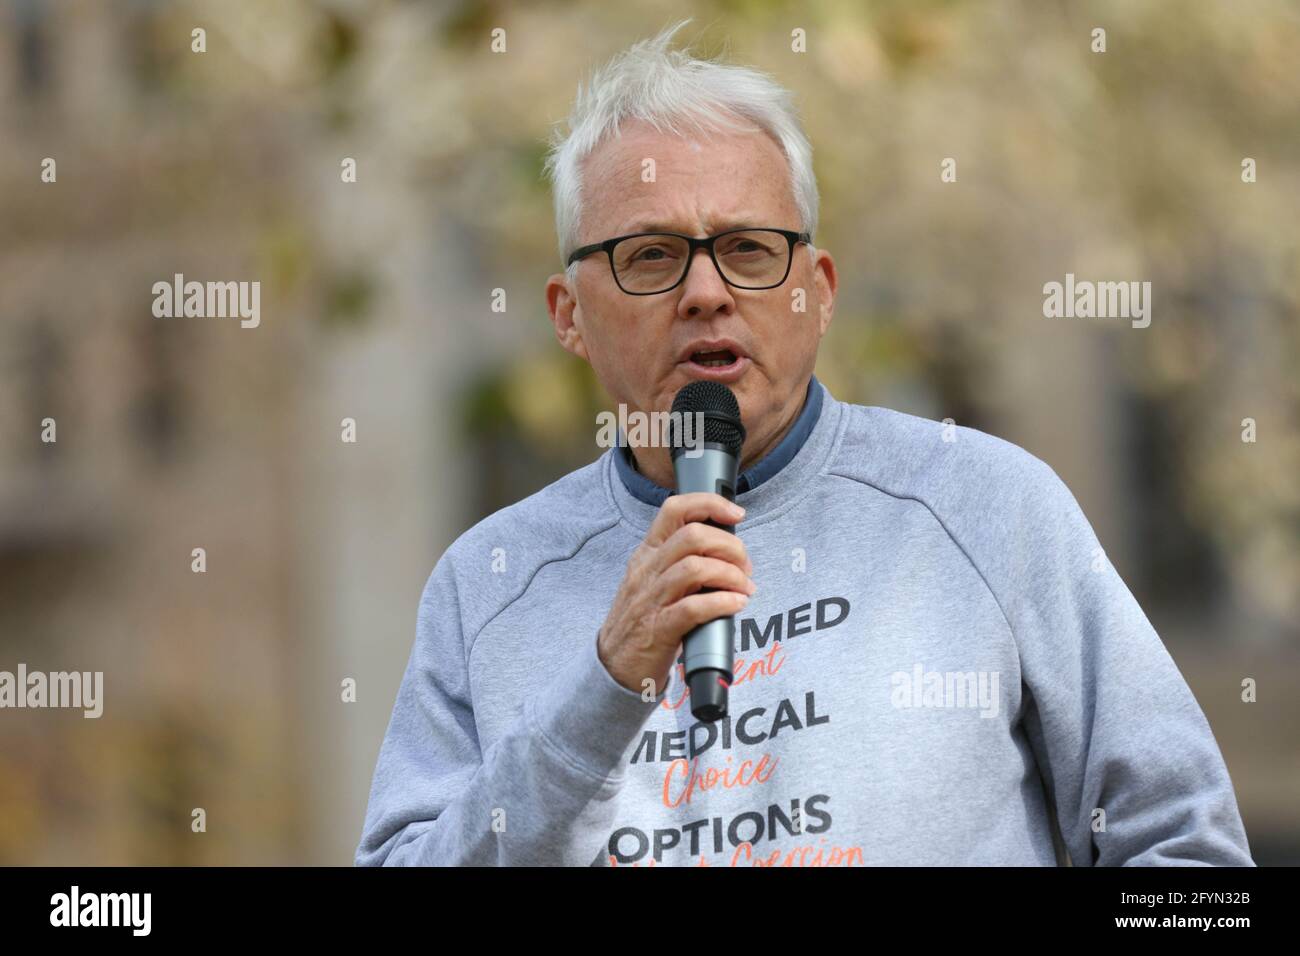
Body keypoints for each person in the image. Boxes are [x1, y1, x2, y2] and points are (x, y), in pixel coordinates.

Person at [355, 20, 1253, 867]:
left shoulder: (988, 508)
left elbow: (1188, 854)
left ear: (817, 293)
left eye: (749, 249)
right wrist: (601, 686)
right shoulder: (490, 583)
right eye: (652, 256)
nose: (706, 291)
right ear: (569, 316)